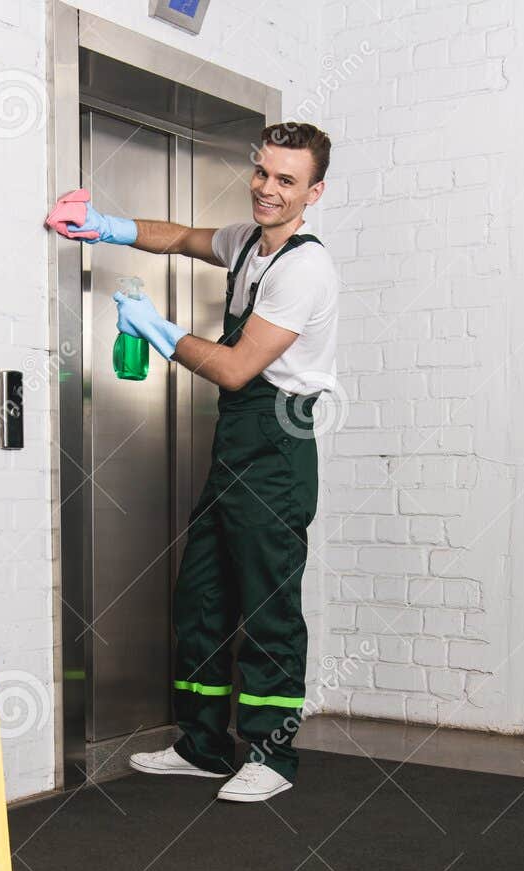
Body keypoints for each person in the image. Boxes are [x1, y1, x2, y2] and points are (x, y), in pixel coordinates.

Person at [45, 122, 338, 803]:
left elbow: (237, 370)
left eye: (287, 180)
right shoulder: (247, 244)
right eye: (263, 172)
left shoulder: (305, 268)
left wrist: (162, 331)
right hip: (235, 448)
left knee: (267, 605)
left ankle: (271, 753)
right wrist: (108, 226)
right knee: (201, 596)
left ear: (313, 192)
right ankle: (203, 745)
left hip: (276, 448)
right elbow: (178, 236)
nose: (268, 188)